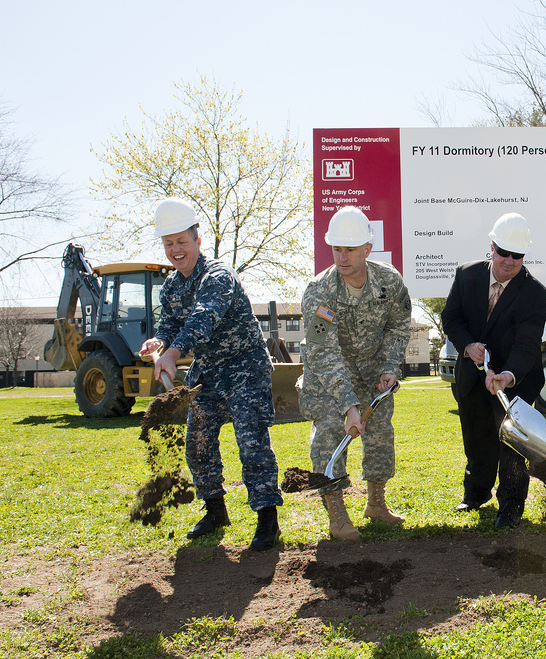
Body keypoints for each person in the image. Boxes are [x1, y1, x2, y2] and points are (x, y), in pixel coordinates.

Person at [140, 197, 283, 551]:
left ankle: (267, 518)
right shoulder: (172, 286)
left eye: (182, 242)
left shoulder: (219, 275)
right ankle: (215, 510)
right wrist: (158, 341)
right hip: (208, 371)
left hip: (245, 366)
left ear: (197, 241)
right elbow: (171, 323)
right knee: (198, 440)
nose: (176, 250)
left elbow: (203, 318)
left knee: (251, 441)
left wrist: (173, 353)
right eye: (169, 243)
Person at [297, 206, 411, 542]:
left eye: (350, 249)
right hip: (328, 378)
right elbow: (323, 351)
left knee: (379, 438)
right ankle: (337, 514)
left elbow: (399, 326)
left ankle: (376, 502)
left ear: (367, 249)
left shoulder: (390, 282)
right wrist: (348, 406)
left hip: (374, 374)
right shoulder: (319, 291)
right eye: (337, 249)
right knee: (329, 439)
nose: (342, 257)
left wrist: (390, 368)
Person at [441, 212, 546, 530]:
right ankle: (476, 494)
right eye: (503, 252)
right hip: (472, 377)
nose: (509, 260)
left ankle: (511, 507)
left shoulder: (536, 294)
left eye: (517, 255)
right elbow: (451, 318)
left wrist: (507, 376)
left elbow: (528, 345)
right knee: (476, 437)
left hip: (515, 379)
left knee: (513, 444)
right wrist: (467, 345)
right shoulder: (466, 276)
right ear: (492, 247)